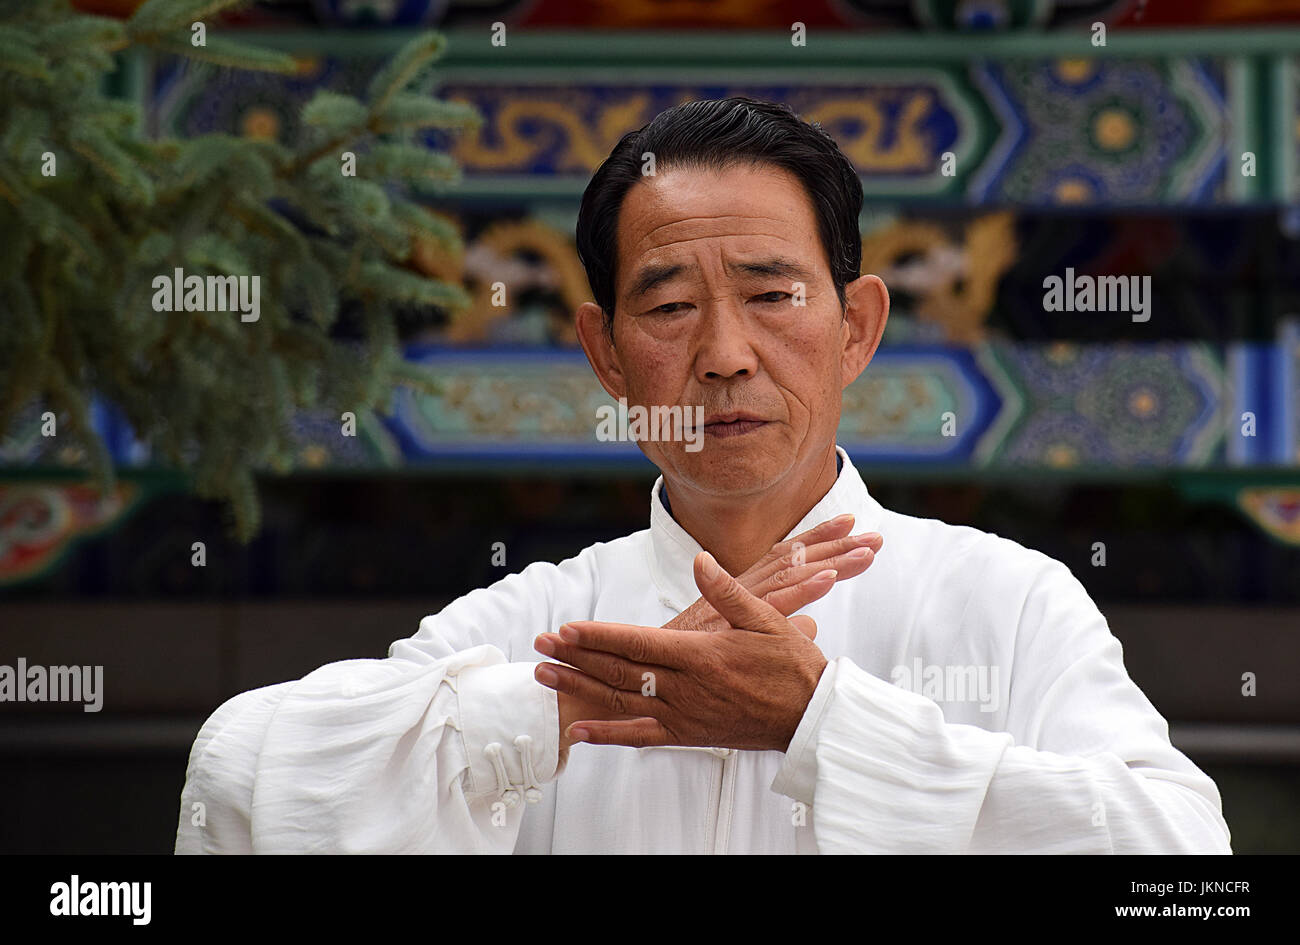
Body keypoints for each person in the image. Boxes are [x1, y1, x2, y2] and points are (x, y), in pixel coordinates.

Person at [175, 97, 1231, 854]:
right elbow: (246, 783)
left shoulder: (1006, 606)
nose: (724, 353)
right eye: (671, 305)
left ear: (856, 327)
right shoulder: (542, 625)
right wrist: (568, 702)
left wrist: (821, 722)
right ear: (603, 351)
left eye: (771, 296)